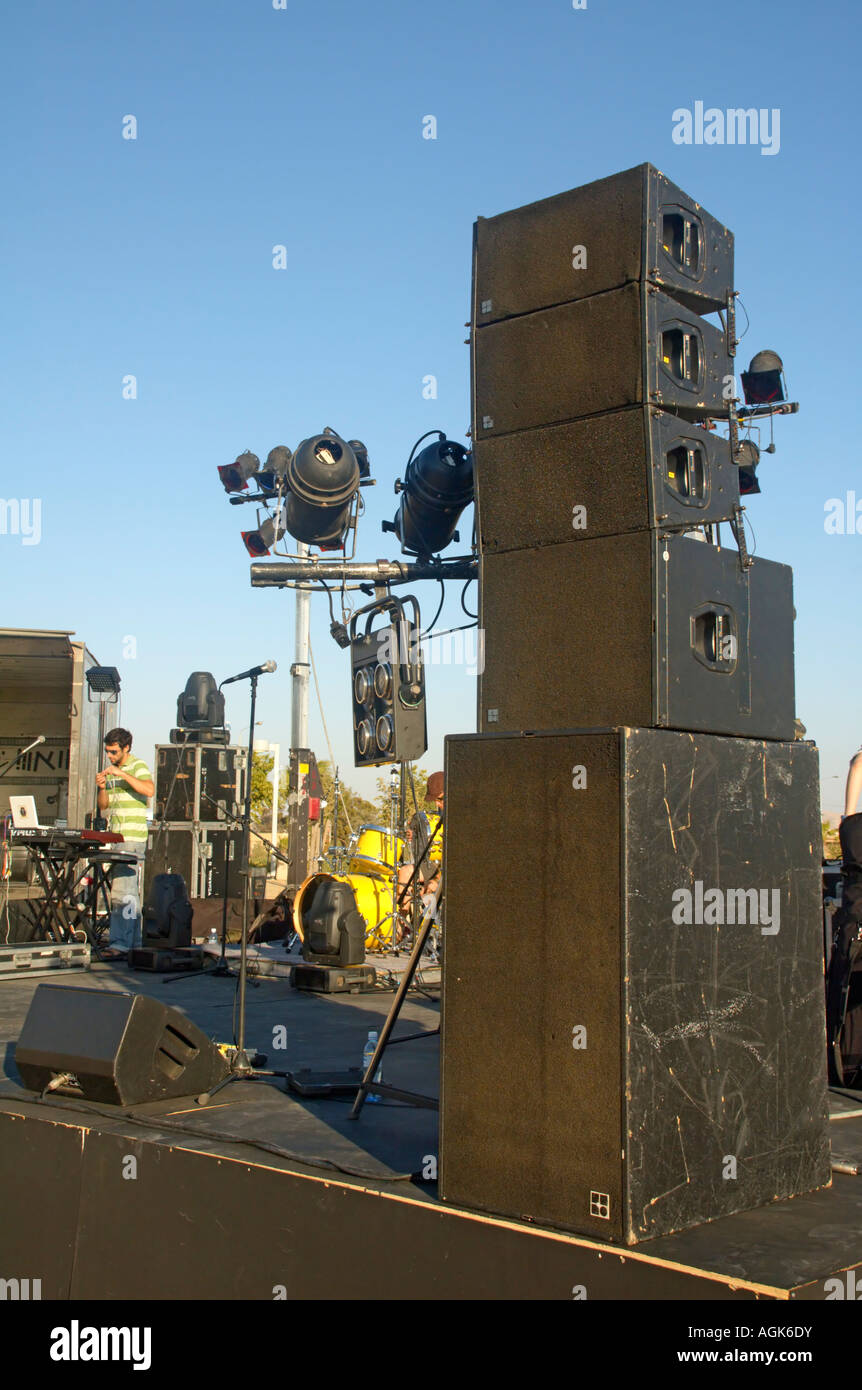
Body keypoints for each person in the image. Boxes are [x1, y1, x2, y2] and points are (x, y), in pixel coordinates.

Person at [95, 728, 154, 959]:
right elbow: (104, 806)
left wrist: (124, 776)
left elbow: (148, 789)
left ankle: (120, 943)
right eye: (108, 752)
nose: (110, 756)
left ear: (126, 748)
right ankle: (133, 942)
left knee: (122, 891)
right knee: (128, 891)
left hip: (132, 836)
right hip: (116, 836)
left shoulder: (136, 765)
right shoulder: (112, 772)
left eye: (114, 752)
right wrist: (102, 787)